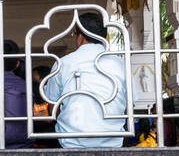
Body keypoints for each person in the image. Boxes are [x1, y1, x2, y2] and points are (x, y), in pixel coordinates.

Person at [41, 10, 128, 148]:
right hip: (113, 140)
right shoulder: (120, 64)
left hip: (70, 141)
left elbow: (53, 108)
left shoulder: (63, 63)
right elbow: (128, 106)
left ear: (80, 36)